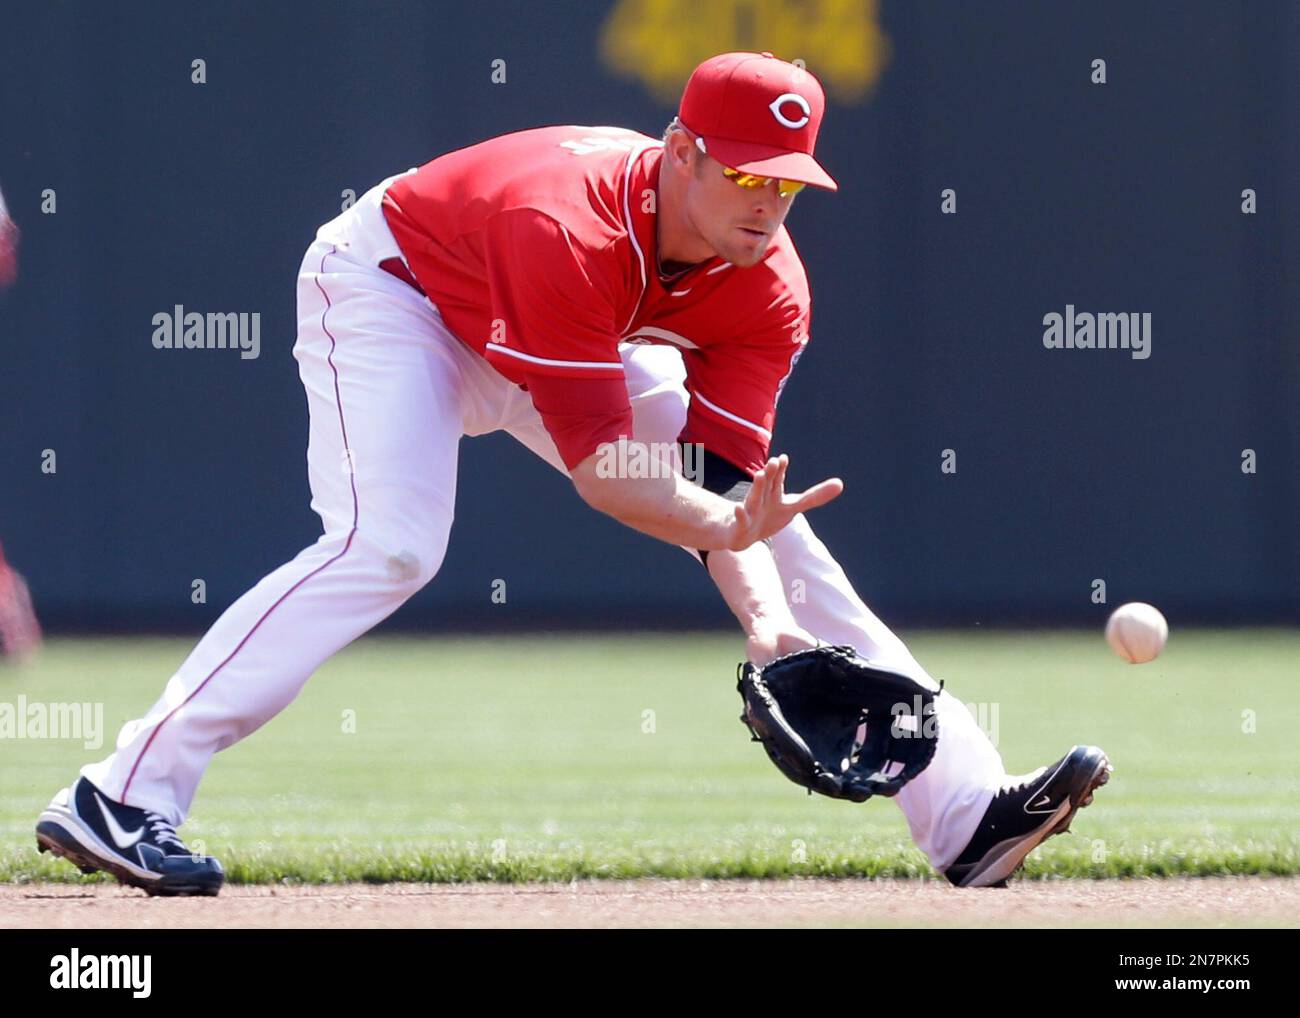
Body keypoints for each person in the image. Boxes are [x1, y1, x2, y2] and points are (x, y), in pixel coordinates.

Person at [36, 52, 1108, 897]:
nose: (765, 204)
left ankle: (965, 816)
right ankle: (118, 794)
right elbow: (612, 479)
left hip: (560, 339)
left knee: (782, 535)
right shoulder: (569, 223)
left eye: (786, 183)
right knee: (390, 542)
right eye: (742, 173)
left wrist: (770, 624)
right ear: (679, 150)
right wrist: (727, 535)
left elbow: (717, 486)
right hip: (398, 299)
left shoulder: (768, 286)